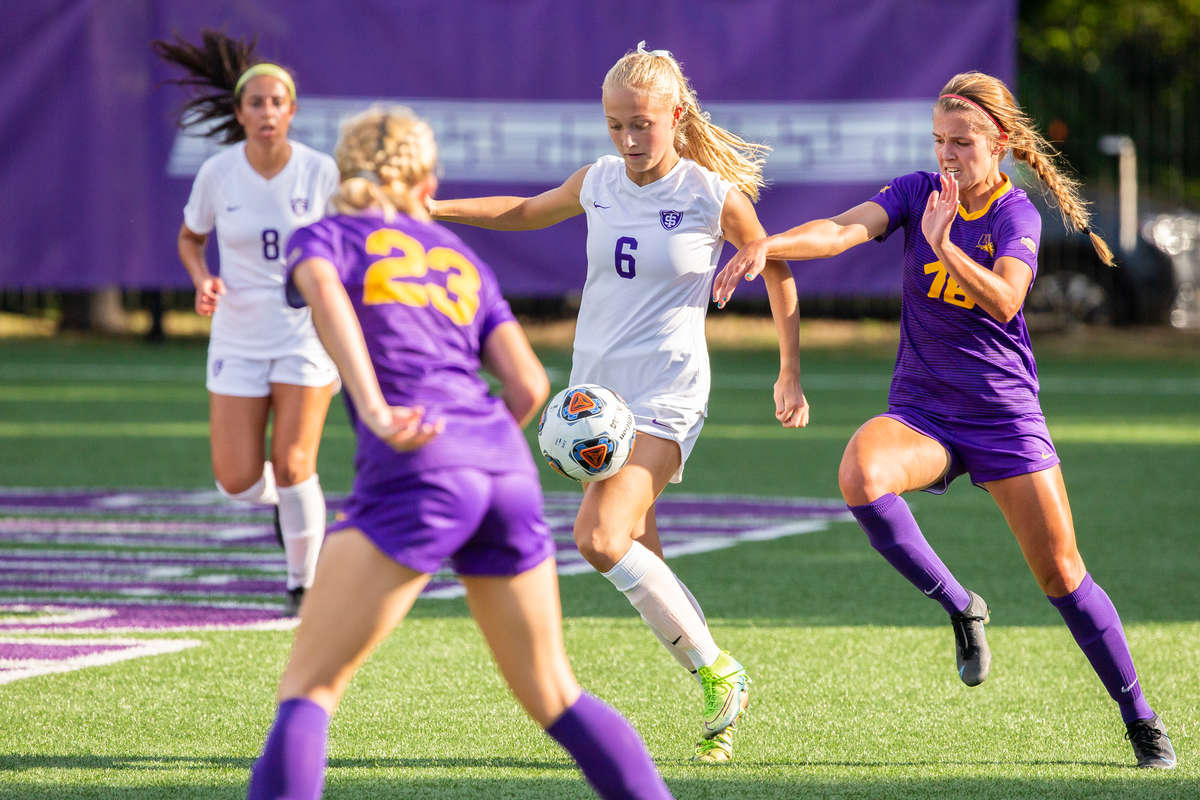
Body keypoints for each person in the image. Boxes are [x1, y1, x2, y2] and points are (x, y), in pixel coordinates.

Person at [713, 71, 1176, 770]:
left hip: (1002, 416)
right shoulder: (916, 192)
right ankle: (963, 607)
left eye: (962, 142)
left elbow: (1005, 300)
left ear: (1002, 144)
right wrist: (767, 246)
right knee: (860, 474)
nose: (947, 155)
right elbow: (842, 231)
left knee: (1061, 574)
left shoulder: (1014, 215)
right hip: (924, 411)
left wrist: (947, 245)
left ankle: (1140, 718)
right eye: (939, 141)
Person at [246, 105, 674, 800]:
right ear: (424, 182)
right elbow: (531, 383)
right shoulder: (460, 258)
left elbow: (323, 291)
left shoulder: (326, 236)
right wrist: (477, 443)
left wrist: (382, 413)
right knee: (556, 695)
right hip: (504, 467)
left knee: (309, 689)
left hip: (420, 465)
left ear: (347, 173)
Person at [429, 41, 809, 763]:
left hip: (667, 395)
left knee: (600, 539)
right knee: (641, 554)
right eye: (616, 125)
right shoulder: (600, 181)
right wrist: (435, 207)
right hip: (597, 399)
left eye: (642, 124)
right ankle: (715, 683)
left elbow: (774, 261)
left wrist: (789, 368)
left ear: (675, 115)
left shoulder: (707, 192)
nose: (629, 141)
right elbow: (522, 211)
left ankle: (725, 676)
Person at [153, 31, 339, 616]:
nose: (266, 112)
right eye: (255, 102)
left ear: (292, 111)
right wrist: (200, 278)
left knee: (293, 464)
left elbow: (347, 245)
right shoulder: (218, 172)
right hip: (236, 334)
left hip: (304, 335)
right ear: (238, 113)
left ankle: (302, 587)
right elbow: (190, 237)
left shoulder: (320, 172)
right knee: (235, 480)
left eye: (276, 102)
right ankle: (291, 508)